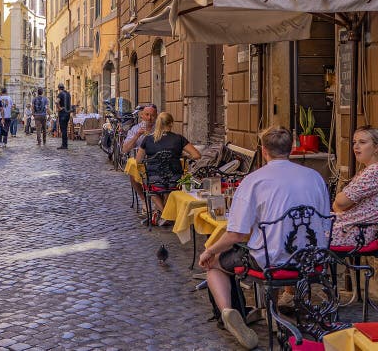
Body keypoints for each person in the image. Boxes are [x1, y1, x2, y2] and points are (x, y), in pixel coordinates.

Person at [198, 126, 330, 350]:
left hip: (271, 262)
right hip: (312, 260)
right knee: (268, 244)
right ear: (292, 149)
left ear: (263, 150)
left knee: (214, 265)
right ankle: (274, 312)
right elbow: (325, 221)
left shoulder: (254, 181)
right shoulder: (314, 177)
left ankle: (228, 311)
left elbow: (237, 233)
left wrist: (211, 250)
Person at [135, 112, 200, 223]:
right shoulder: (179, 139)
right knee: (168, 187)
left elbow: (138, 160)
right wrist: (184, 155)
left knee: (147, 184)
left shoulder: (148, 139)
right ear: (171, 123)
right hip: (175, 181)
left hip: (154, 182)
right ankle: (166, 214)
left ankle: (164, 213)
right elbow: (197, 155)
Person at [332, 126, 378, 246]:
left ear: (376, 147)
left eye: (362, 142)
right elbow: (338, 205)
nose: (356, 147)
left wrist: (342, 202)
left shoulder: (373, 172)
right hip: (350, 225)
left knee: (301, 232)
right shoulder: (366, 171)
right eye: (354, 142)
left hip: (356, 231)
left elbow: (341, 202)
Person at [122, 104, 158, 212]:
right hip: (141, 163)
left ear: (156, 116)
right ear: (142, 116)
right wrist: (137, 136)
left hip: (156, 162)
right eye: (147, 115)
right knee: (132, 170)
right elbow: (125, 149)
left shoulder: (159, 129)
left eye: (152, 115)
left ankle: (160, 203)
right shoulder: (135, 129)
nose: (149, 118)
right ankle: (143, 200)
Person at [56, 84, 71, 149]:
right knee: (65, 128)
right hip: (68, 113)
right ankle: (65, 144)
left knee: (63, 129)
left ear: (59, 88)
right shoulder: (68, 94)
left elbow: (57, 102)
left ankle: (64, 145)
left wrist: (59, 108)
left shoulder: (60, 94)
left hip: (62, 113)